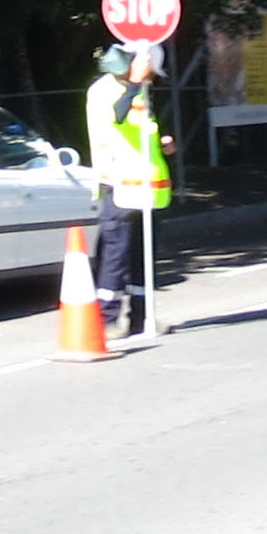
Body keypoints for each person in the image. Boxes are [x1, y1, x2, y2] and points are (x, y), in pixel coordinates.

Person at [85, 45, 164, 333]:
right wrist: (134, 84)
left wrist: (163, 141)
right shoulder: (103, 90)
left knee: (143, 255)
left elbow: (141, 132)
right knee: (116, 254)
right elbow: (117, 119)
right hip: (117, 183)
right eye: (149, 71)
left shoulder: (137, 90)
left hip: (143, 185)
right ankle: (106, 320)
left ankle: (141, 317)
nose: (151, 78)